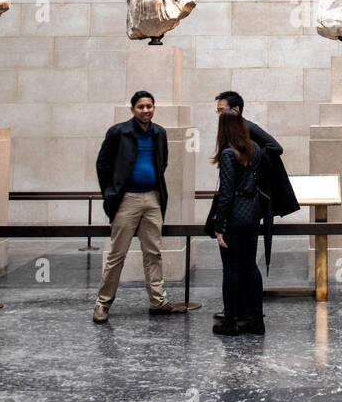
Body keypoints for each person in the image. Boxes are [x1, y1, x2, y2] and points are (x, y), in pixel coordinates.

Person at [92, 90, 185, 322]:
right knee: (117, 254)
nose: (146, 110)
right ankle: (102, 303)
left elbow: (162, 162)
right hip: (127, 200)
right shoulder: (118, 132)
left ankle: (158, 301)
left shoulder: (159, 133)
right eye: (141, 107)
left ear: (154, 108)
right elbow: (102, 164)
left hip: (152, 198)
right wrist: (111, 193)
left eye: (149, 106)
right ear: (133, 109)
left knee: (153, 252)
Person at [208, 91, 299, 323]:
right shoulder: (247, 148)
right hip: (250, 210)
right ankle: (251, 314)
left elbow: (275, 148)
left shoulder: (237, 147)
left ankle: (234, 315)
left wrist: (250, 165)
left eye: (222, 110)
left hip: (239, 211)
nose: (219, 115)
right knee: (247, 264)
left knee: (233, 267)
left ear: (235, 111)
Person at [209, 109, 268, 336]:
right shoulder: (256, 151)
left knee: (230, 269)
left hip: (233, 218)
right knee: (250, 266)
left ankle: (230, 321)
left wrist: (219, 225)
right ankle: (256, 319)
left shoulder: (227, 154)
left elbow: (226, 193)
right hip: (252, 215)